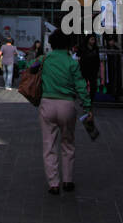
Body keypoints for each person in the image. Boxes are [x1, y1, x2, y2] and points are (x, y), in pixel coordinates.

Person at [38, 33, 94, 194]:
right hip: (67, 105)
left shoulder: (45, 60)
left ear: (52, 44)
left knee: (49, 145)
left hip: (47, 104)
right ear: (68, 45)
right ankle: (68, 180)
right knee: (68, 143)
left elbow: (31, 68)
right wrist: (88, 108)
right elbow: (81, 86)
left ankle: (53, 183)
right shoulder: (72, 62)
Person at [78, 33, 101, 105]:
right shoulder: (83, 47)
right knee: (83, 86)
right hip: (84, 69)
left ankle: (90, 100)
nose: (93, 41)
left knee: (93, 86)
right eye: (92, 39)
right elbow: (79, 56)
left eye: (94, 40)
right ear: (88, 40)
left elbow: (98, 59)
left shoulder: (96, 48)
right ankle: (84, 100)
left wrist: (98, 69)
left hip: (93, 70)